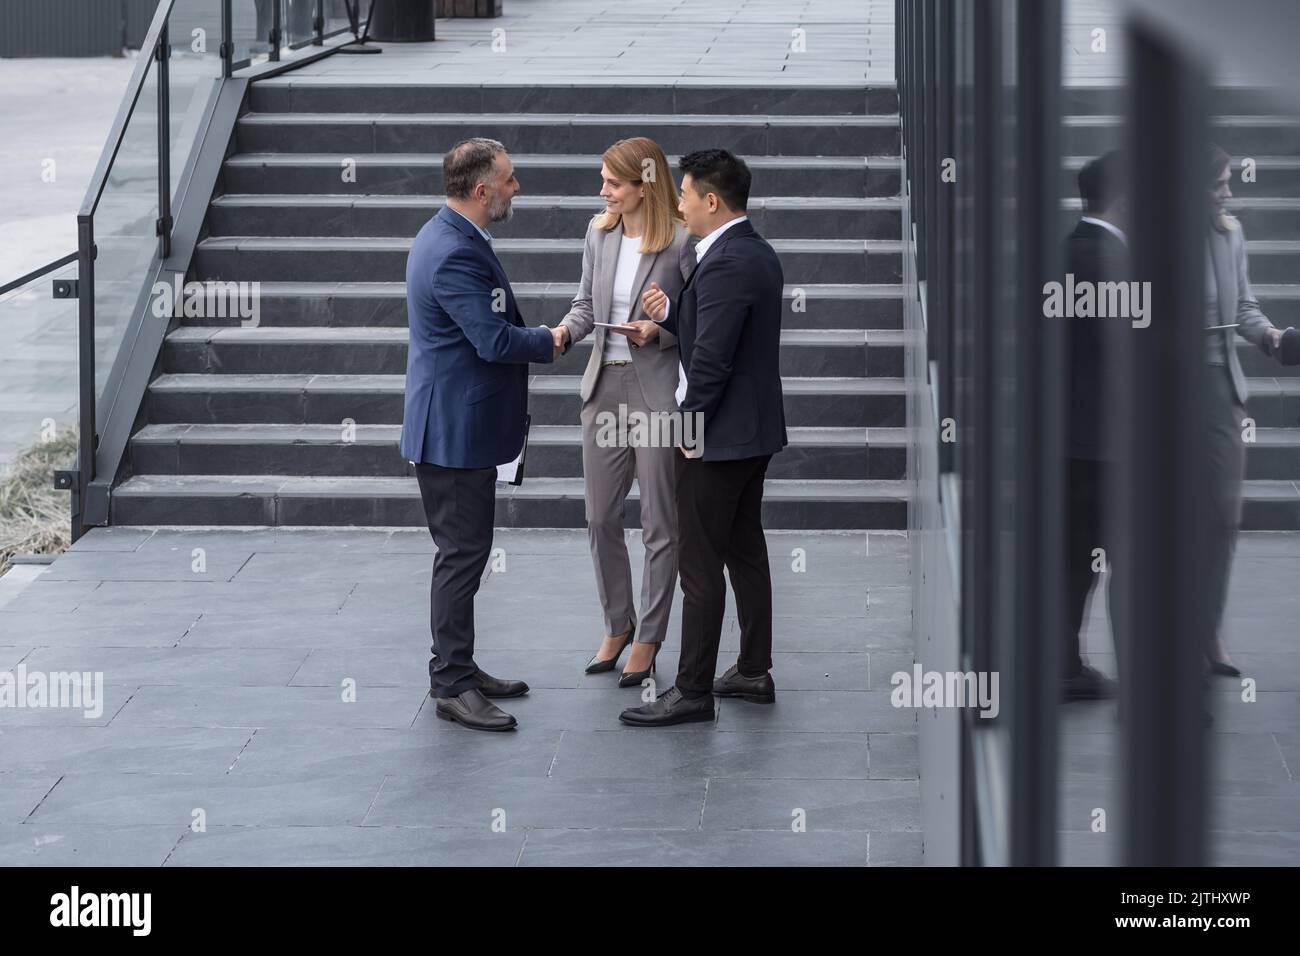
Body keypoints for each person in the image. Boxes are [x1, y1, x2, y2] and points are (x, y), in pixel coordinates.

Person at [620, 148, 788, 727]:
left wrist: (688, 428)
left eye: (686, 195)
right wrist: (670, 316)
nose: (680, 206)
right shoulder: (749, 251)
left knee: (698, 561)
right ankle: (753, 668)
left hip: (717, 438)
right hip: (750, 432)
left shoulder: (725, 262)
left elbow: (712, 363)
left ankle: (692, 690)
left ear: (711, 201)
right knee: (744, 549)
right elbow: (717, 334)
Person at [400, 138, 561, 732]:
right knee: (461, 557)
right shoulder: (453, 253)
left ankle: (461, 668)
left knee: (464, 554)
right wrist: (554, 339)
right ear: (481, 189)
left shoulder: (447, 236)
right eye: (511, 180)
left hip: (455, 427)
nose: (516, 188)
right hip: (453, 434)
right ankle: (450, 685)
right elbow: (493, 341)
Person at [552, 138, 697, 686]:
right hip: (604, 387)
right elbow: (587, 304)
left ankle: (649, 637)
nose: (604, 191)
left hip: (656, 391)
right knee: (599, 517)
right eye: (604, 182)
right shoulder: (599, 232)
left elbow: (695, 322)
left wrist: (659, 331)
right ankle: (618, 623)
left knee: (660, 522)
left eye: (613, 183)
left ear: (644, 185)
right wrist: (567, 331)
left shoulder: (681, 242)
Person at [1202, 142, 1290, 677]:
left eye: (1230, 180)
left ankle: (1207, 629)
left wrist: (1270, 336)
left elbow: (1244, 308)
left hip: (1217, 388)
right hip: (1159, 391)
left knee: (1222, 516)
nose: (1229, 192)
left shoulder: (1230, 235)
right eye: (1219, 183)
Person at [1061, 151, 1128, 702]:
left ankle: (1063, 664)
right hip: (1106, 440)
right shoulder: (1105, 259)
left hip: (1075, 437)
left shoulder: (1072, 248)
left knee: (1078, 557)